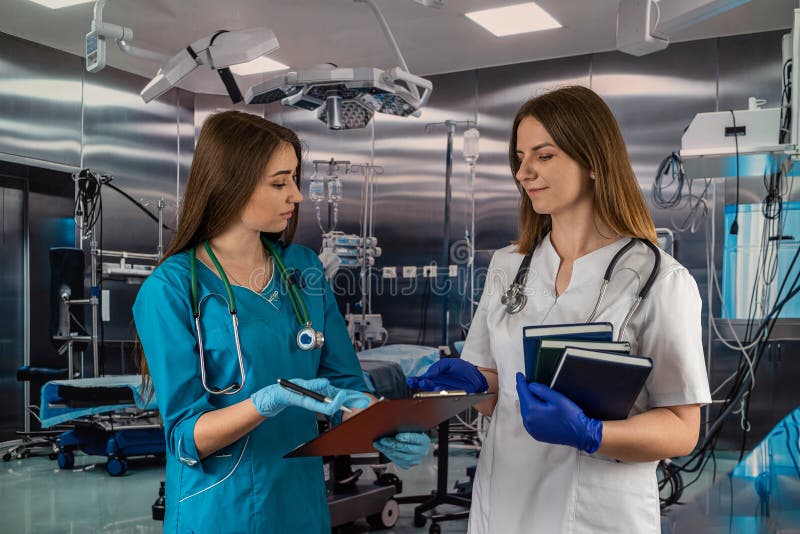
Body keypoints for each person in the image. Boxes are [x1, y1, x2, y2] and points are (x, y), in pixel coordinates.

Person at [408, 86, 711, 533]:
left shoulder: (659, 279)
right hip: (504, 502)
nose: (523, 172)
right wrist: (472, 383)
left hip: (595, 513)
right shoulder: (508, 267)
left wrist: (592, 433)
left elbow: (682, 429)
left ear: (594, 162)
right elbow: (494, 395)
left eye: (544, 156)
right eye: (520, 157)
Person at [133, 111, 430, 533]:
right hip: (220, 509)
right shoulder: (171, 289)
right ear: (230, 184)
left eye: (294, 179)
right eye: (279, 183)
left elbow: (346, 384)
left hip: (300, 502)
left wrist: (381, 426)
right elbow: (184, 436)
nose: (297, 195)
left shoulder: (303, 270)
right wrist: (264, 402)